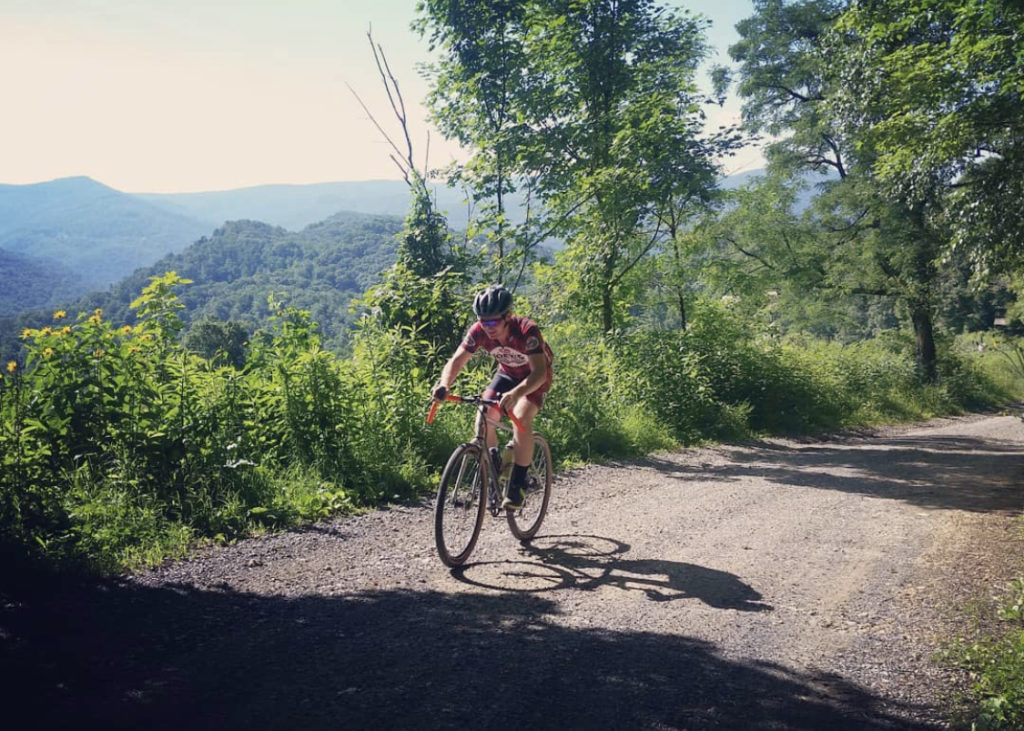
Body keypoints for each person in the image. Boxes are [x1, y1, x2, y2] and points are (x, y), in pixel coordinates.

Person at [432, 284, 553, 508]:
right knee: (483, 418)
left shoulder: (527, 331)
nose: (487, 327)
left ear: (507, 317)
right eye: (482, 321)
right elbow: (456, 360)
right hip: (507, 374)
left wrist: (517, 393)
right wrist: (444, 385)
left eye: (493, 322)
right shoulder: (478, 331)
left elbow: (539, 373)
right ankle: (496, 465)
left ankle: (517, 486)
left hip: (534, 379)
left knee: (521, 416)